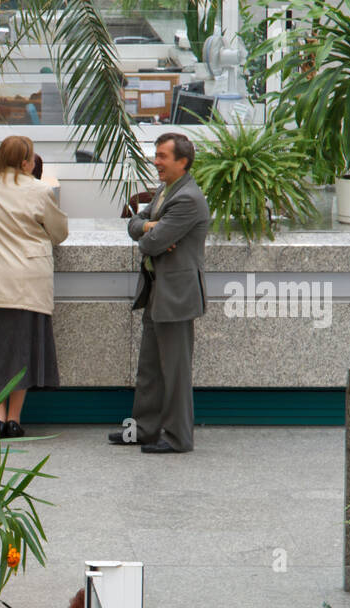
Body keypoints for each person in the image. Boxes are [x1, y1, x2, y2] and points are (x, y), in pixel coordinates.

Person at [109, 131, 209, 454]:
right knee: (149, 366)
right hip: (158, 290)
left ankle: (179, 438)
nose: (156, 162)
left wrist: (150, 229)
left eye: (162, 156)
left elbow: (148, 243)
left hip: (177, 296)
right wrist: (151, 225)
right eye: (156, 155)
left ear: (183, 161)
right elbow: (134, 224)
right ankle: (143, 430)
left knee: (176, 370)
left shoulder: (187, 199)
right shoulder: (166, 192)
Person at [0, 135, 69, 438]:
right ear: (26, 162)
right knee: (23, 351)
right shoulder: (39, 190)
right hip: (28, 283)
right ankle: (14, 419)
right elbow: (59, 232)